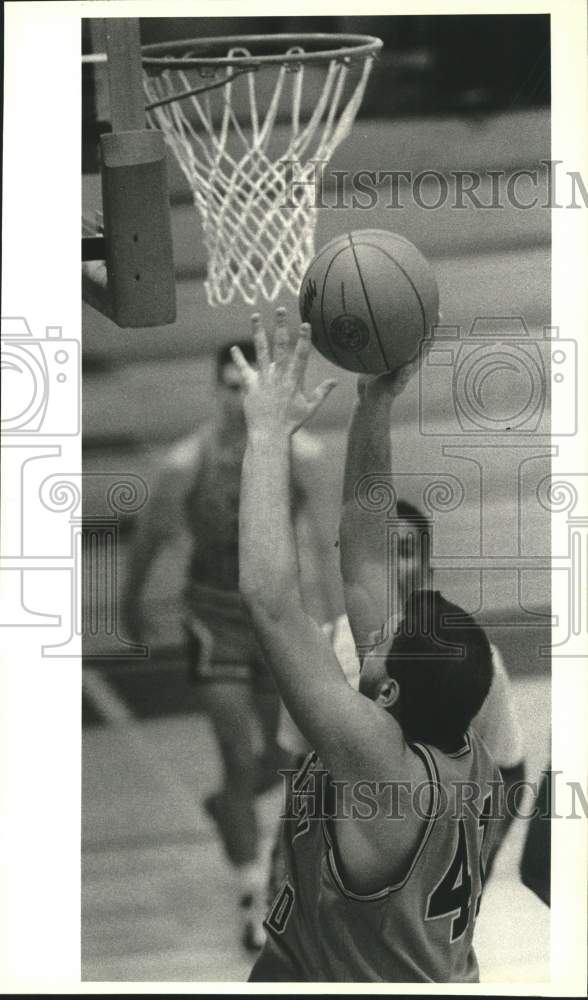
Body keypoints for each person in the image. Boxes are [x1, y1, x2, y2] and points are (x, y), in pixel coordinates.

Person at [232, 310, 502, 982]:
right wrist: (375, 402)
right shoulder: (459, 754)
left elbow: (271, 603)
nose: (379, 622)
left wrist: (267, 437)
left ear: (387, 693)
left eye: (390, 636)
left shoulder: (380, 765)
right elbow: (367, 559)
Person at [122, 337, 339, 950]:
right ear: (215, 388)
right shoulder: (184, 464)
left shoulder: (303, 455)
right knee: (240, 757)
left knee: (282, 757)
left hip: (276, 621)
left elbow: (323, 546)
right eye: (231, 385)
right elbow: (149, 541)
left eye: (251, 385)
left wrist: (339, 626)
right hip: (212, 620)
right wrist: (130, 602)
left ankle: (231, 810)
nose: (241, 396)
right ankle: (253, 894)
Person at [276, 501, 525, 881]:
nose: (388, 568)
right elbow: (300, 771)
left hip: (430, 874)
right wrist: (289, 866)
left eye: (404, 552)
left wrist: (478, 864)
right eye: (377, 554)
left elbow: (509, 770)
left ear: (428, 568)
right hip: (342, 873)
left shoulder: (472, 659)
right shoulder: (320, 648)